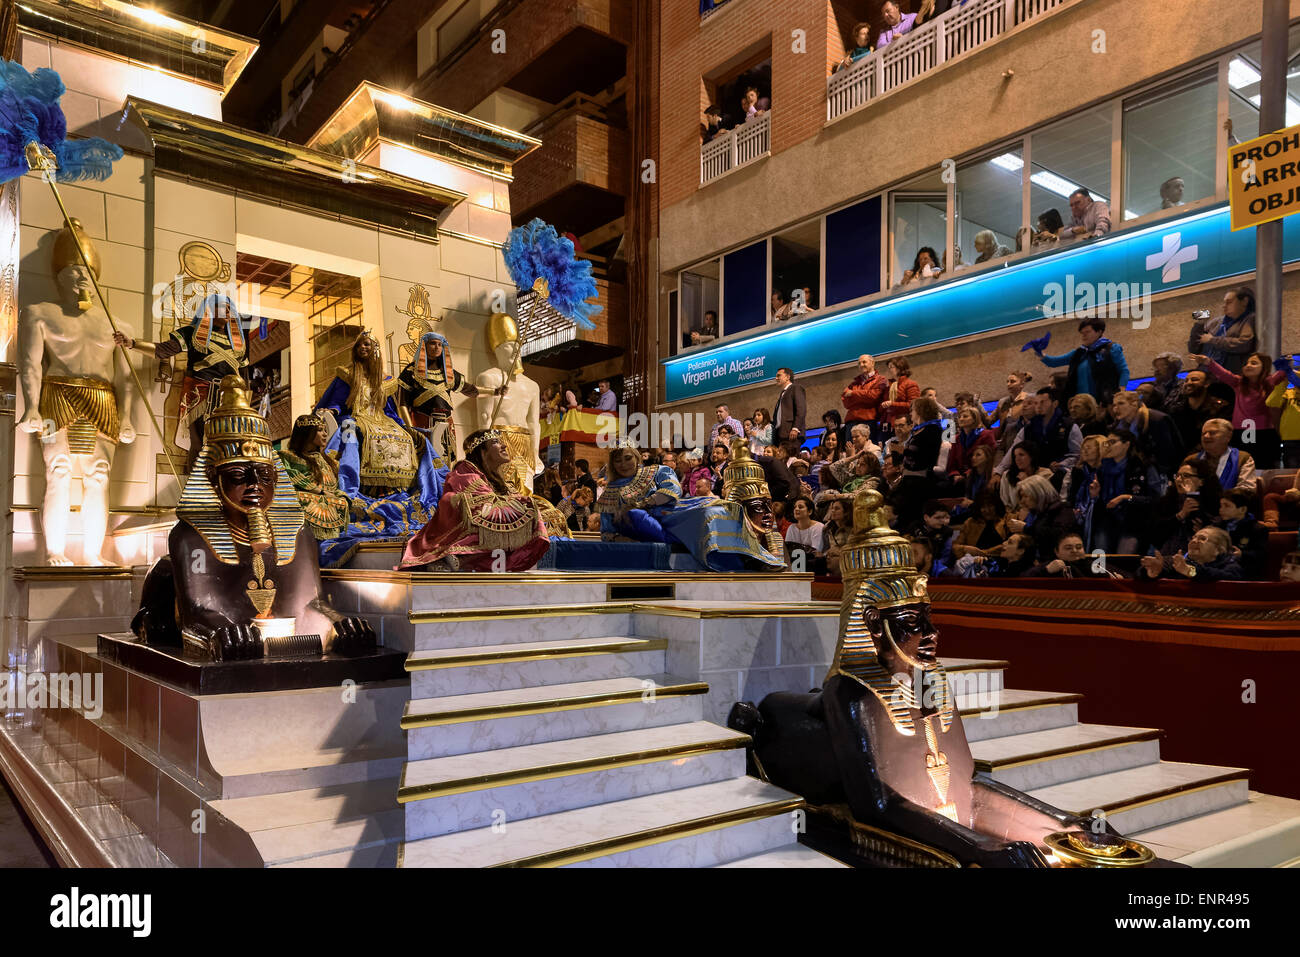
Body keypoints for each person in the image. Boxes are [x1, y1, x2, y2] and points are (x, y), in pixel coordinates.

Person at [598, 443, 784, 571]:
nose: (623, 464)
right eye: (618, 460)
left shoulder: (656, 471)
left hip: (674, 512)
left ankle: (751, 556)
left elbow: (672, 490)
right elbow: (607, 531)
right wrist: (622, 535)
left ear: (637, 457)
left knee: (716, 509)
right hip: (643, 524)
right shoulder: (609, 493)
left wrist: (643, 502)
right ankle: (731, 560)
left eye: (627, 458)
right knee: (635, 515)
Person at [398, 429, 549, 571]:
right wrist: (523, 505)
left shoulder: (499, 478)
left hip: (489, 531)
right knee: (525, 510)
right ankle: (456, 559)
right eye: (496, 442)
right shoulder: (465, 472)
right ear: (482, 452)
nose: (504, 446)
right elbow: (480, 506)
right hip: (459, 529)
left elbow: (512, 498)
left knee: (543, 512)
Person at [316, 330, 419, 495]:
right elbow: (338, 401)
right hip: (354, 417)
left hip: (380, 419)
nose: (361, 347)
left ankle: (399, 487)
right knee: (348, 433)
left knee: (408, 436)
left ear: (375, 349)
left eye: (366, 344)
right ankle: (347, 484)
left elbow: (389, 410)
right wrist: (333, 409)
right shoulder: (348, 374)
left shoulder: (385, 381)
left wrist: (403, 426)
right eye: (359, 345)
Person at [397, 330, 481, 465]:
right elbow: (402, 403)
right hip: (422, 422)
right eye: (432, 343)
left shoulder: (448, 374)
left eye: (440, 344)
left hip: (447, 424)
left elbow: (471, 389)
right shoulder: (410, 372)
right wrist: (410, 428)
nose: (437, 347)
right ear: (424, 345)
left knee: (448, 460)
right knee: (424, 462)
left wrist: (495, 391)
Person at [1193, 352, 1283, 469]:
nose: (1248, 365)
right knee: (1243, 464)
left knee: (1264, 465)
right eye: (1246, 363)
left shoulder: (1270, 382)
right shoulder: (1238, 383)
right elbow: (1223, 374)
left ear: (1264, 367)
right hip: (1243, 431)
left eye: (1254, 363)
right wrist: (1208, 362)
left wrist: (1286, 364)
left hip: (1265, 432)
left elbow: (1283, 373)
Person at [280, 414, 351, 541]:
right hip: (305, 506)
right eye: (319, 430)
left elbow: (338, 487)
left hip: (333, 506)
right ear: (306, 434)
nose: (324, 434)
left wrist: (341, 496)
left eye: (325, 430)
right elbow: (292, 478)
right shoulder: (287, 457)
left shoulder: (331, 462)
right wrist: (321, 492)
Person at [1086, 428, 1157, 554]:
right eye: (1107, 443)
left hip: (1132, 521)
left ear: (1126, 444)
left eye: (1113, 442)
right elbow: (1098, 502)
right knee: (1100, 557)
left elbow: (1153, 499)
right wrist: (1094, 495)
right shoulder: (1102, 467)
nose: (1108, 446)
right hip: (1106, 520)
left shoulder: (1141, 467)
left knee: (1124, 559)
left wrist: (1126, 498)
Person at [1031, 317, 1128, 406]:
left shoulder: (1112, 348)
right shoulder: (1079, 353)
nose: (1083, 336)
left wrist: (1121, 391)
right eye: (1082, 333)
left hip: (1104, 400)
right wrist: (1039, 353)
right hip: (1082, 403)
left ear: (1099, 332)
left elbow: (1124, 371)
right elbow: (1053, 362)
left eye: (1087, 332)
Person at [997, 387, 1081, 480]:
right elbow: (1014, 449)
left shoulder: (1069, 426)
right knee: (1007, 476)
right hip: (1035, 473)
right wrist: (999, 471)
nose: (1039, 406)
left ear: (1055, 404)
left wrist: (1062, 464)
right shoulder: (1029, 427)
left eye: (1043, 402)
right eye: (1036, 403)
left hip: (1060, 473)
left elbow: (1077, 454)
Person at [1148, 459, 1222, 556]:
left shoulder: (1214, 502)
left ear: (1201, 482)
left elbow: (1214, 528)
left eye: (1186, 476)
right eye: (1177, 475)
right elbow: (1156, 534)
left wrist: (1192, 495)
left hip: (1201, 555)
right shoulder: (1166, 501)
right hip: (1168, 552)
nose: (1179, 480)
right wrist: (1180, 515)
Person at [1109, 390, 1184, 480]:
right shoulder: (1117, 427)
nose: (1115, 409)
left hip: (1161, 475)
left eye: (1121, 404)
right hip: (1137, 473)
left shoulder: (1156, 420)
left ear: (1134, 404)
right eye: (1114, 405)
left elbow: (1167, 455)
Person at [1006, 473, 1078, 559]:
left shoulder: (1062, 510)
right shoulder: (1036, 513)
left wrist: (1026, 528)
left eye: (1025, 496)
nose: (1022, 501)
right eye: (1021, 497)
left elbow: (1059, 536)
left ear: (1038, 493)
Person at [1188, 287, 1256, 374]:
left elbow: (1244, 344)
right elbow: (1193, 349)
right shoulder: (1217, 321)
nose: (1224, 306)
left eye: (1229, 302)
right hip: (1206, 372)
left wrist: (1212, 340)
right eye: (1224, 302)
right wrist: (1200, 325)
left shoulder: (1250, 319)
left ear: (1244, 301)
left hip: (1228, 375)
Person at [1139, 527, 1243, 582]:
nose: (1194, 541)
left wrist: (1191, 571)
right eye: (1193, 537)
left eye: (1202, 539)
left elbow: (1231, 580)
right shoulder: (1178, 560)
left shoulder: (1230, 566)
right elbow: (1139, 574)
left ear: (1218, 550)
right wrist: (1151, 572)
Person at [1166, 368, 1230, 451]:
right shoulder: (1175, 409)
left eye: (1194, 380)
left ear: (1206, 383)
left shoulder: (1221, 408)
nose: (1189, 383)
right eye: (1186, 381)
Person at [1192, 418, 1256, 493]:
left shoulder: (1242, 458)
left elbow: (1247, 490)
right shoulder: (1192, 459)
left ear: (1228, 437)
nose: (1206, 436)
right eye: (1203, 433)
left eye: (1212, 433)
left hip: (1229, 503)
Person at [1023, 532, 1122, 579]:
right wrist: (1046, 571)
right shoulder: (1051, 565)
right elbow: (1024, 579)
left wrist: (1119, 579)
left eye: (1079, 547)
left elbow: (1126, 577)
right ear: (1057, 552)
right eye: (1068, 548)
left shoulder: (1095, 566)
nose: (1074, 550)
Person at [1216, 487, 1266, 579]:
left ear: (1242, 509)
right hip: (1218, 565)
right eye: (1221, 505)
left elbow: (1260, 555)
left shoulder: (1257, 529)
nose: (1221, 509)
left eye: (1227, 506)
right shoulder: (1218, 525)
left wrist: (1241, 554)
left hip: (1243, 570)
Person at [841, 353, 890, 436]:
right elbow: (846, 403)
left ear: (872, 363)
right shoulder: (854, 383)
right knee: (850, 448)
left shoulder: (881, 380)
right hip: (851, 423)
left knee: (869, 448)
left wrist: (853, 393)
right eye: (859, 363)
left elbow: (874, 397)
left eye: (864, 362)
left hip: (869, 421)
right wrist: (864, 397)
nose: (861, 365)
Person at [946, 407, 996, 478]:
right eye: (959, 417)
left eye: (965, 416)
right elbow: (952, 463)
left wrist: (966, 475)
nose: (961, 419)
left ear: (974, 419)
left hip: (979, 475)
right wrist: (955, 475)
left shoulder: (986, 435)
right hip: (959, 476)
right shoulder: (956, 438)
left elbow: (988, 460)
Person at [880, 357, 920, 442]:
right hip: (893, 423)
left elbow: (913, 405)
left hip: (906, 424)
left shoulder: (910, 384)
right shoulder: (891, 385)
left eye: (891, 367)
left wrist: (892, 404)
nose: (889, 370)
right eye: (889, 367)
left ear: (900, 367)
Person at [772, 366, 807, 449]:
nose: (776, 378)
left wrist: (795, 428)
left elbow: (801, 409)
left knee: (792, 460)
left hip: (791, 434)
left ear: (788, 377)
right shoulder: (782, 393)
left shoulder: (796, 388)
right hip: (781, 434)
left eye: (779, 375)